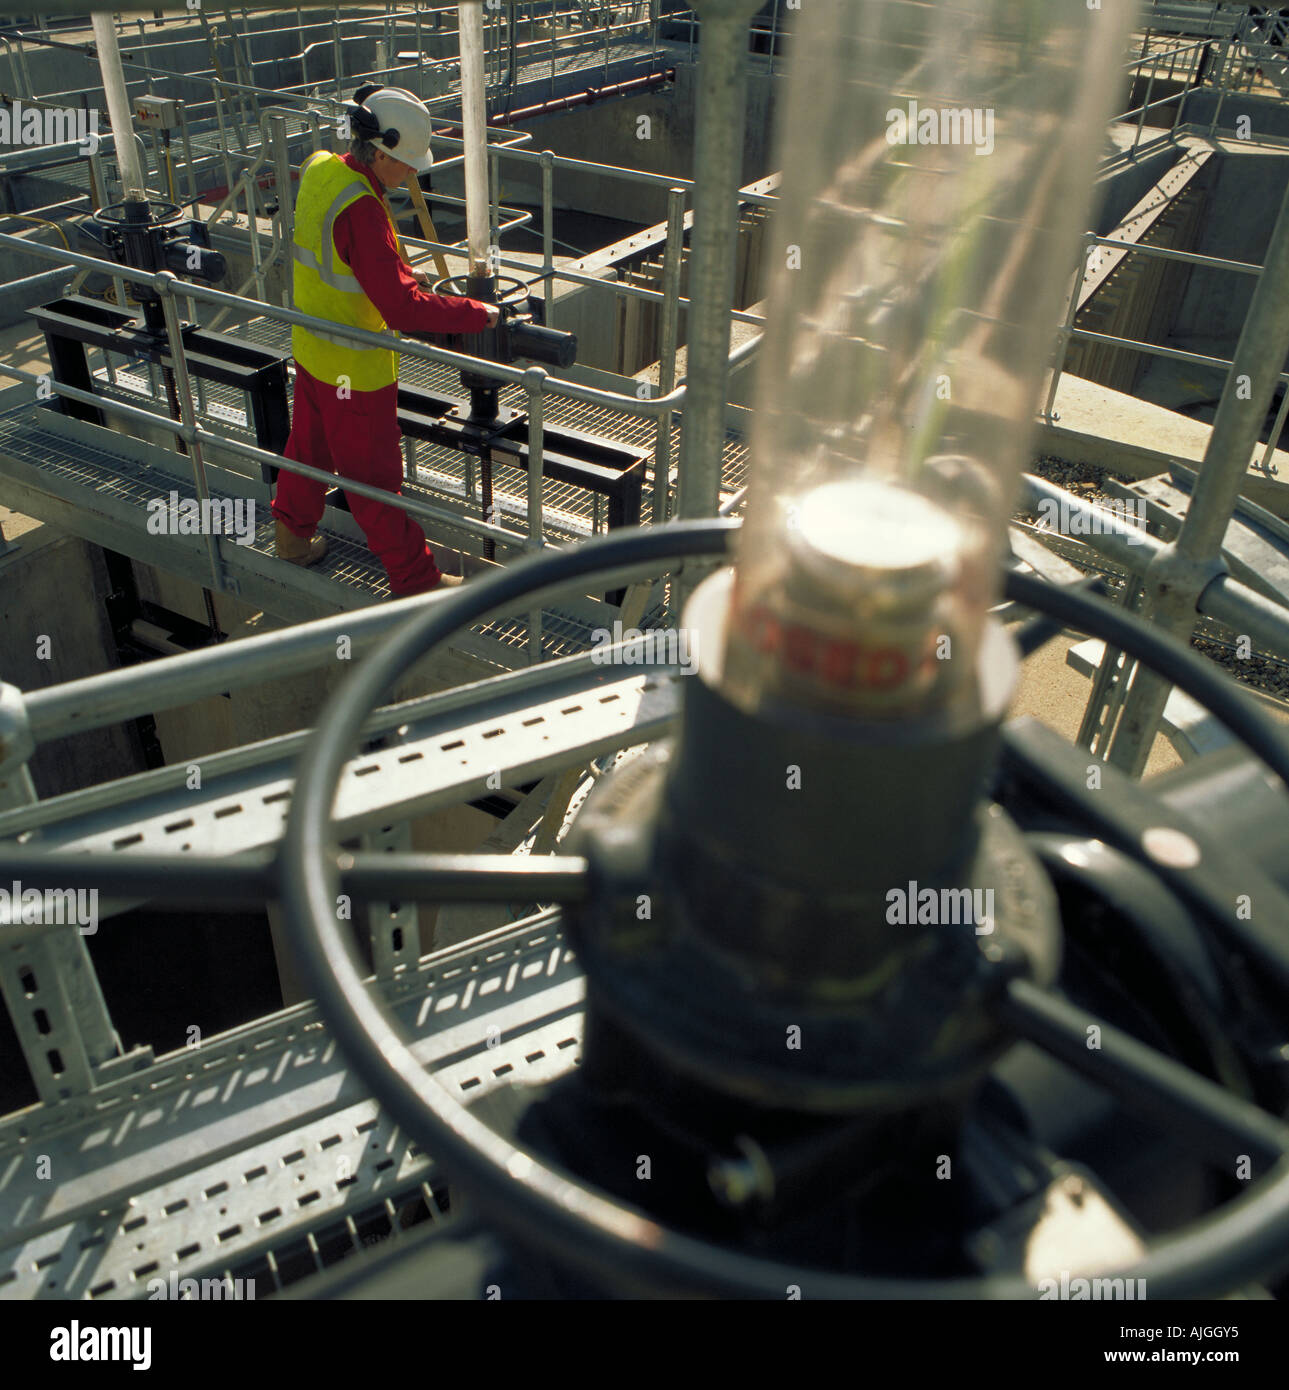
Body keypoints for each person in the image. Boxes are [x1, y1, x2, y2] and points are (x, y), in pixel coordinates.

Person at [273, 84, 500, 593]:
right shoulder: (363, 211)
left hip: (312, 352)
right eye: (407, 162)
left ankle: (290, 540)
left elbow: (345, 263)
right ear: (379, 152)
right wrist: (476, 314)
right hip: (356, 370)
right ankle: (416, 581)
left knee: (307, 451)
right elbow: (400, 307)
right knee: (374, 483)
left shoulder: (320, 168)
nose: (414, 171)